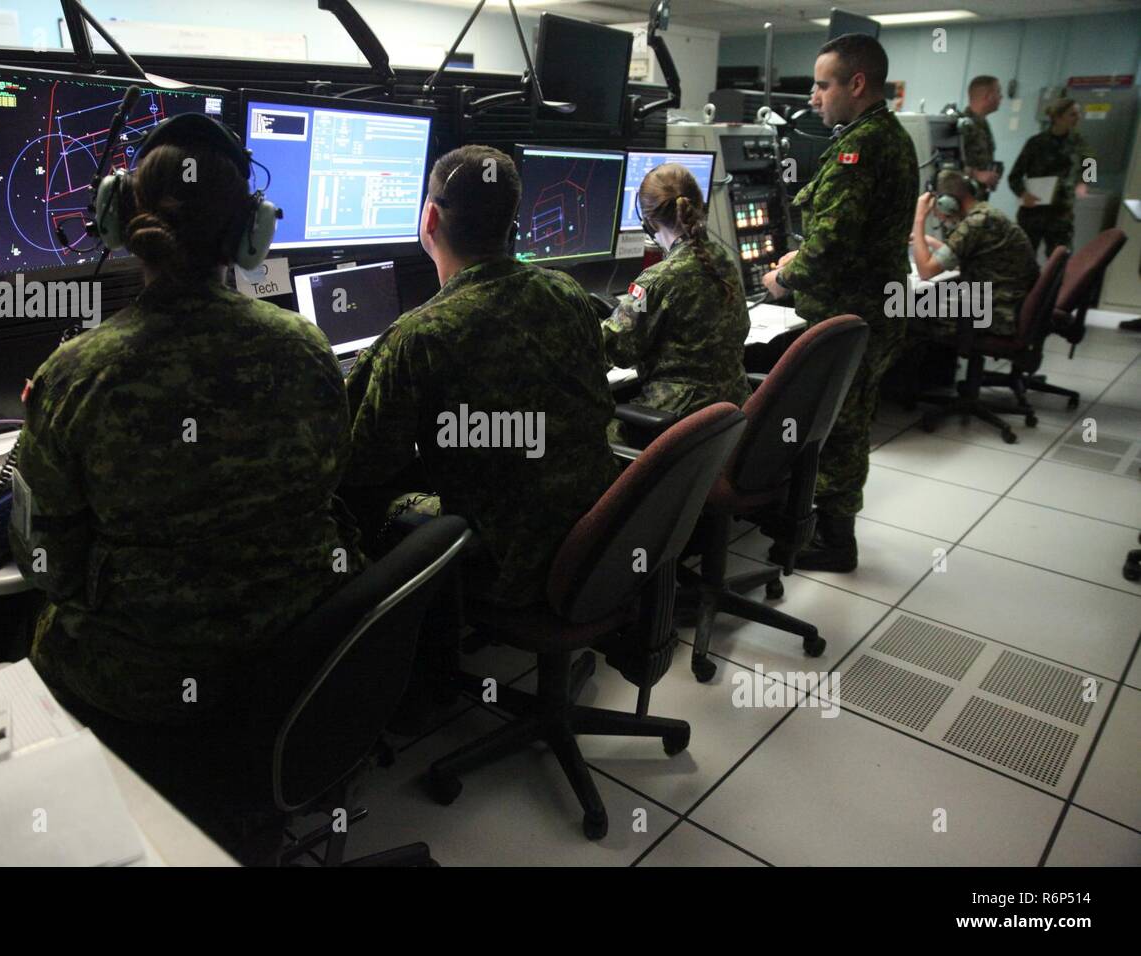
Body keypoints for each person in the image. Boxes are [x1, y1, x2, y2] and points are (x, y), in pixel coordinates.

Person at [10, 115, 364, 733]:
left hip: (137, 689)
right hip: (296, 664)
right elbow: (330, 487)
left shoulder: (73, 375)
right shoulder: (307, 349)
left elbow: (47, 564)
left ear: (119, 220)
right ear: (250, 230)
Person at [343, 144, 619, 610]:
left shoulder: (420, 335)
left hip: (505, 562)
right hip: (592, 534)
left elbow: (364, 464)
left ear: (430, 219)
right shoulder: (567, 292)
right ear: (513, 223)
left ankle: (416, 672)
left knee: (359, 505)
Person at [759, 32, 918, 572]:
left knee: (842, 426)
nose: (812, 97)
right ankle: (822, 525)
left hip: (853, 316)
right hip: (873, 307)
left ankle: (833, 541)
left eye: (823, 85)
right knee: (847, 420)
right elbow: (852, 234)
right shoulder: (889, 136)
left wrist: (783, 278)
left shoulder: (860, 147)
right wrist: (798, 263)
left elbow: (831, 246)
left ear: (857, 84)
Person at [598, 162, 751, 445]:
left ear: (647, 222)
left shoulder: (658, 281)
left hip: (678, 425)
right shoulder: (723, 259)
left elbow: (616, 350)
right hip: (728, 416)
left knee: (588, 437)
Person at [910, 169, 1039, 340]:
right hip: (1008, 303)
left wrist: (919, 219)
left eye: (936, 206)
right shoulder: (984, 213)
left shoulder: (975, 223)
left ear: (947, 202)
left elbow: (926, 271)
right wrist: (928, 241)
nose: (935, 213)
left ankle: (934, 365)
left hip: (997, 313)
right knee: (927, 300)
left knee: (909, 310)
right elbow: (958, 257)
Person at [1009, 97, 1094, 257]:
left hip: (1061, 214)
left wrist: (1084, 183)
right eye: (1073, 114)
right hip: (1033, 213)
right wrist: (1022, 193)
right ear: (1058, 117)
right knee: (1022, 260)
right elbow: (1014, 176)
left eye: (1078, 114)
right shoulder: (1036, 143)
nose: (1078, 118)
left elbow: (1091, 166)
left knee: (1060, 262)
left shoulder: (1081, 143)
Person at [961, 75, 1003, 201]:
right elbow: (946, 164)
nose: (1001, 97)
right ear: (987, 96)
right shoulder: (962, 124)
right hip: (962, 199)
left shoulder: (983, 124)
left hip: (979, 197)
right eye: (998, 92)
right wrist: (976, 174)